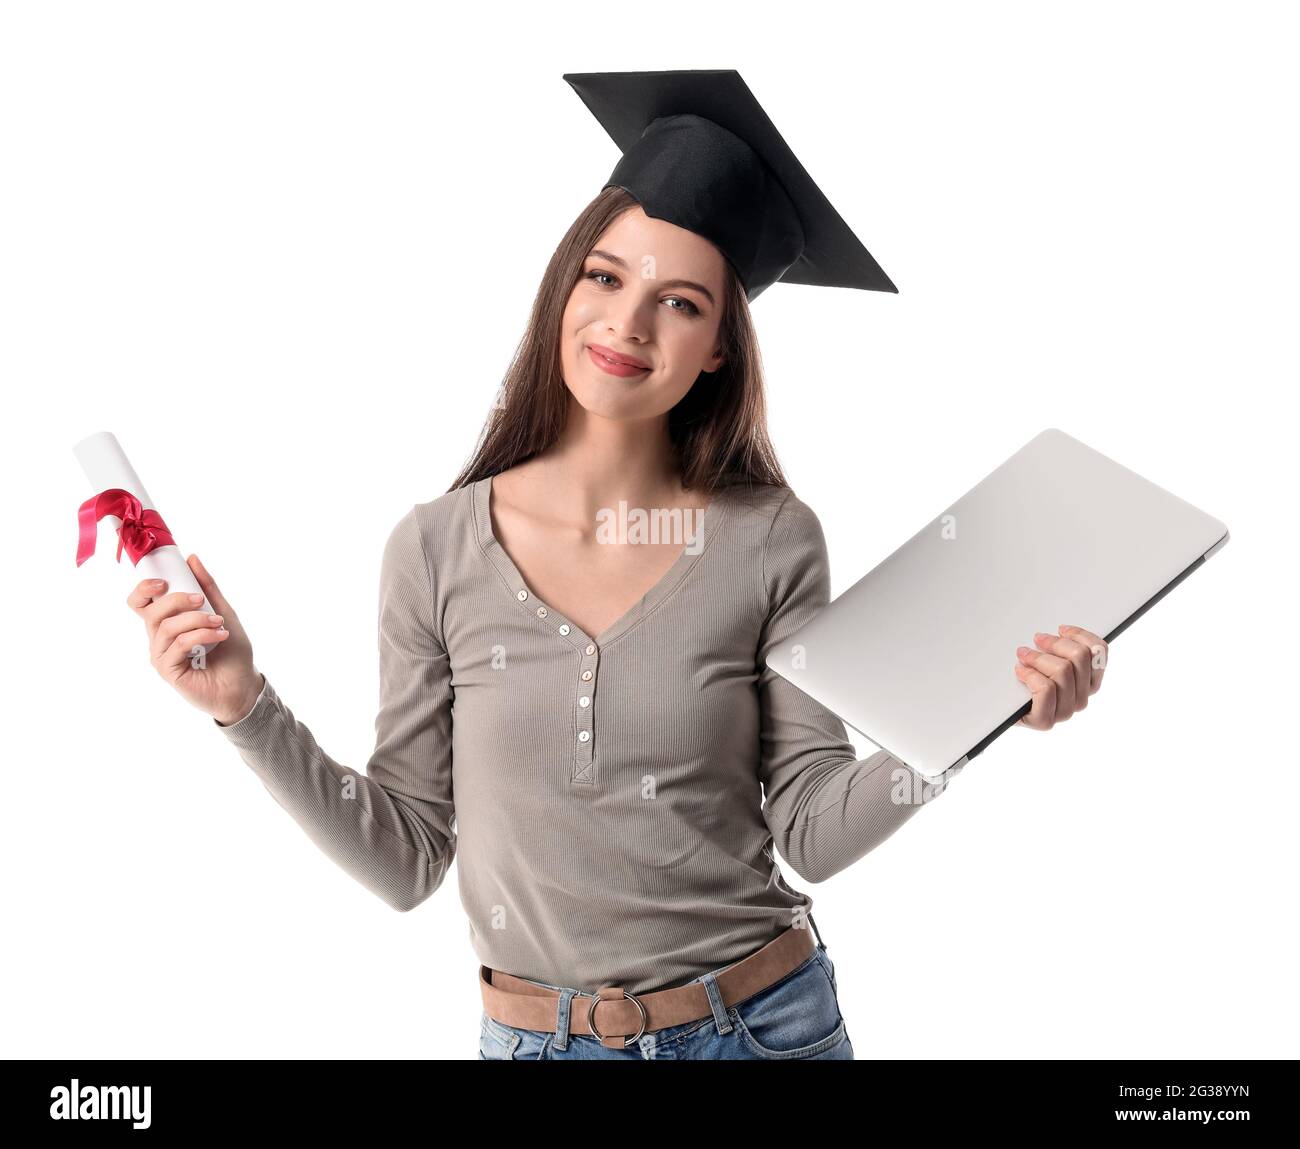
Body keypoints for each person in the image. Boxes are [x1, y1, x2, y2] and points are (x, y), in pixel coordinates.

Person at [126, 71, 1108, 1060]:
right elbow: (406, 859)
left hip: (760, 1032)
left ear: (719, 348)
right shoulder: (434, 549)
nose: (627, 326)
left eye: (678, 302)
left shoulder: (770, 539)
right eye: (604, 277)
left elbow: (810, 825)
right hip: (531, 1042)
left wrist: (962, 722)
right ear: (564, 284)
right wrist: (244, 707)